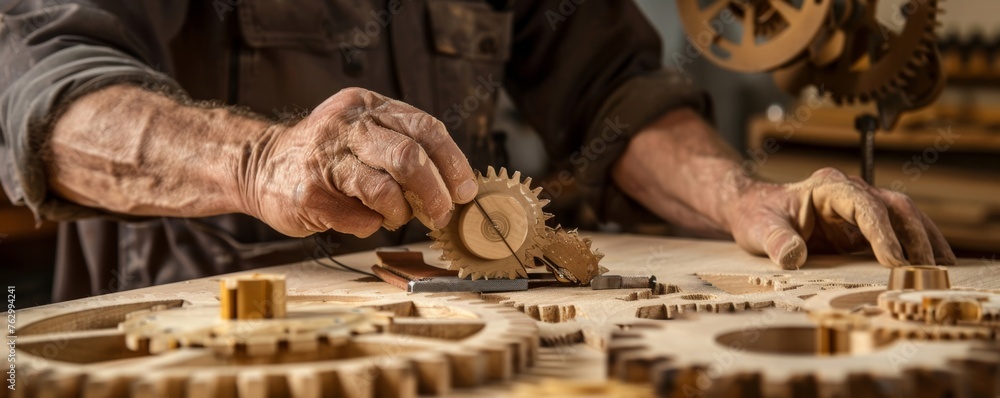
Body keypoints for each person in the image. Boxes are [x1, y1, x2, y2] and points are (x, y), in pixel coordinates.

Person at [0, 0, 954, 301]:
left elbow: (607, 86)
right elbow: (33, 81)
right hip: (217, 350)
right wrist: (259, 163)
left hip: (473, 335)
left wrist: (738, 195)